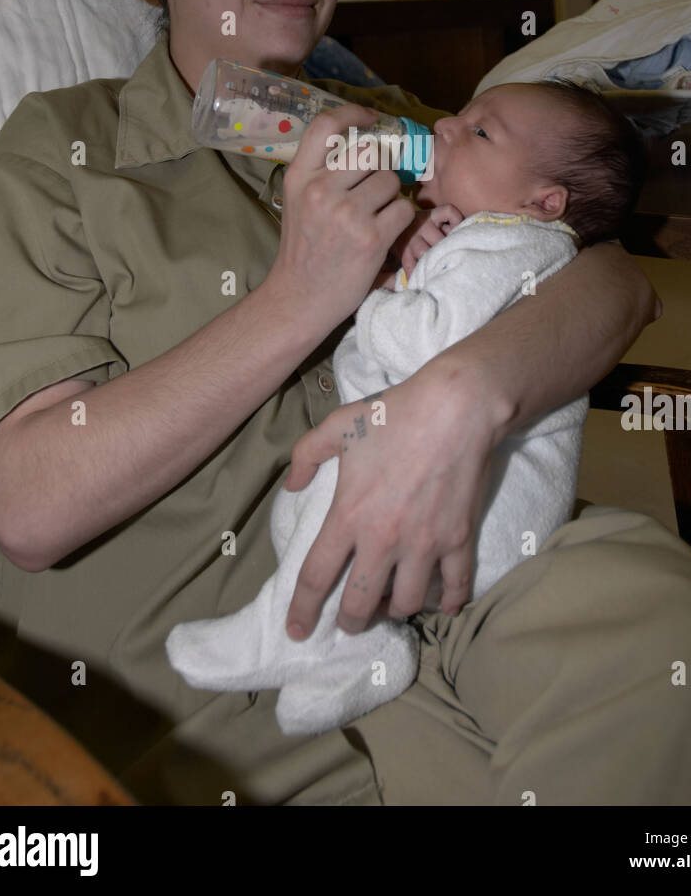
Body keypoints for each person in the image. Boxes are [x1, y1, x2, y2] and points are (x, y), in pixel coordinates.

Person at [0, 0, 691, 807]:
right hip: (226, 688)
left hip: (468, 575)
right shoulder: (57, 153)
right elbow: (35, 505)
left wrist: (464, 395)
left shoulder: (405, 127)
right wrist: (297, 297)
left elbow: (615, 281)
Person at [165, 79, 649, 738]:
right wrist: (418, 269)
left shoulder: (515, 244)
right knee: (303, 503)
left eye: (479, 132)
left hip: (481, 520)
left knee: (332, 482)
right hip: (447, 503)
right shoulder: (489, 236)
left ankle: (286, 632)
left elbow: (430, 341)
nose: (445, 122)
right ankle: (360, 648)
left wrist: (377, 291)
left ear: (543, 202)